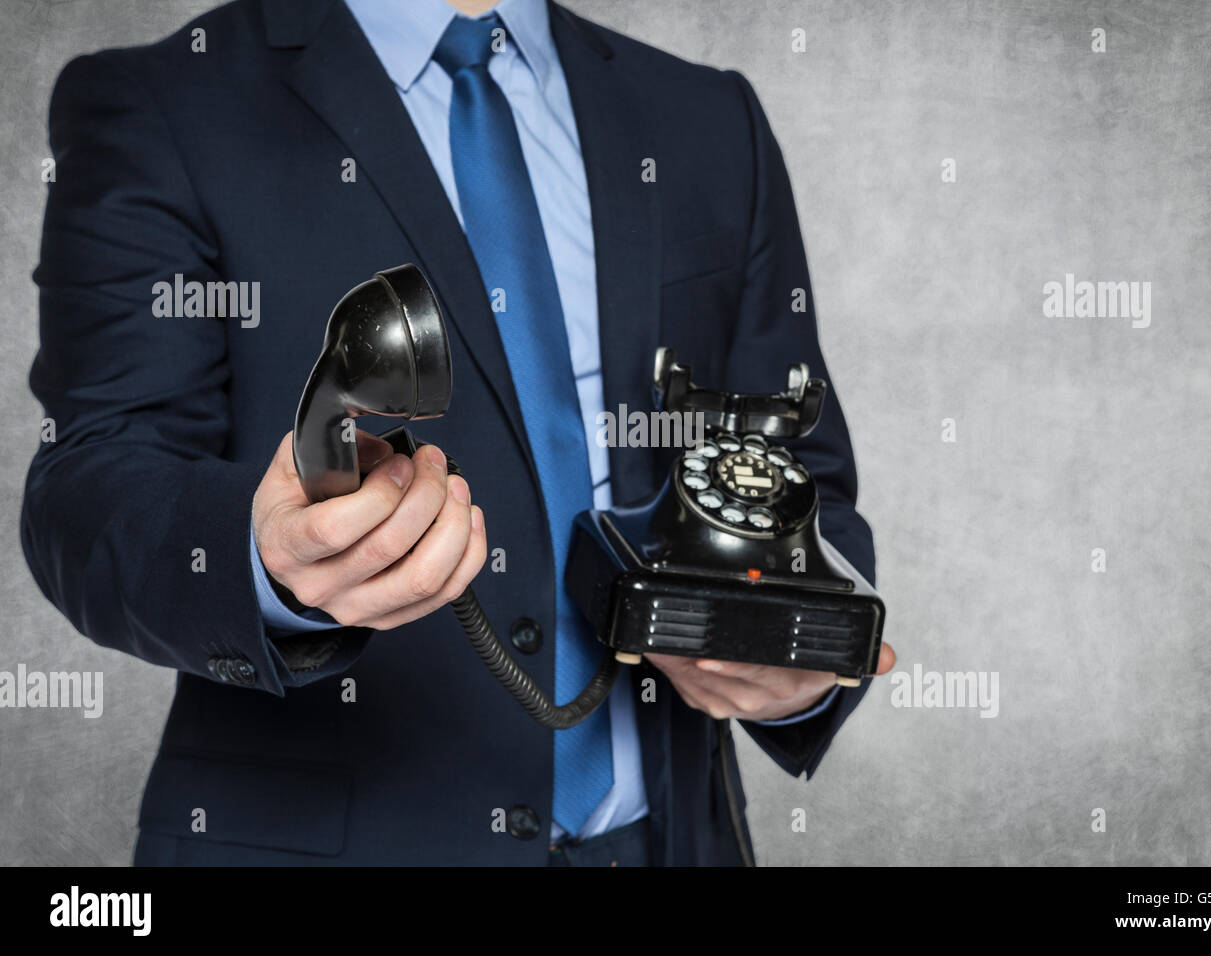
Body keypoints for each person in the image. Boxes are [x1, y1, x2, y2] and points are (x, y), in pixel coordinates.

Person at [21, 0, 893, 866]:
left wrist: (797, 672)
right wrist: (264, 561)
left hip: (672, 841)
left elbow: (800, 475)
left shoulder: (708, 117)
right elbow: (92, 483)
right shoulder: (162, 101)